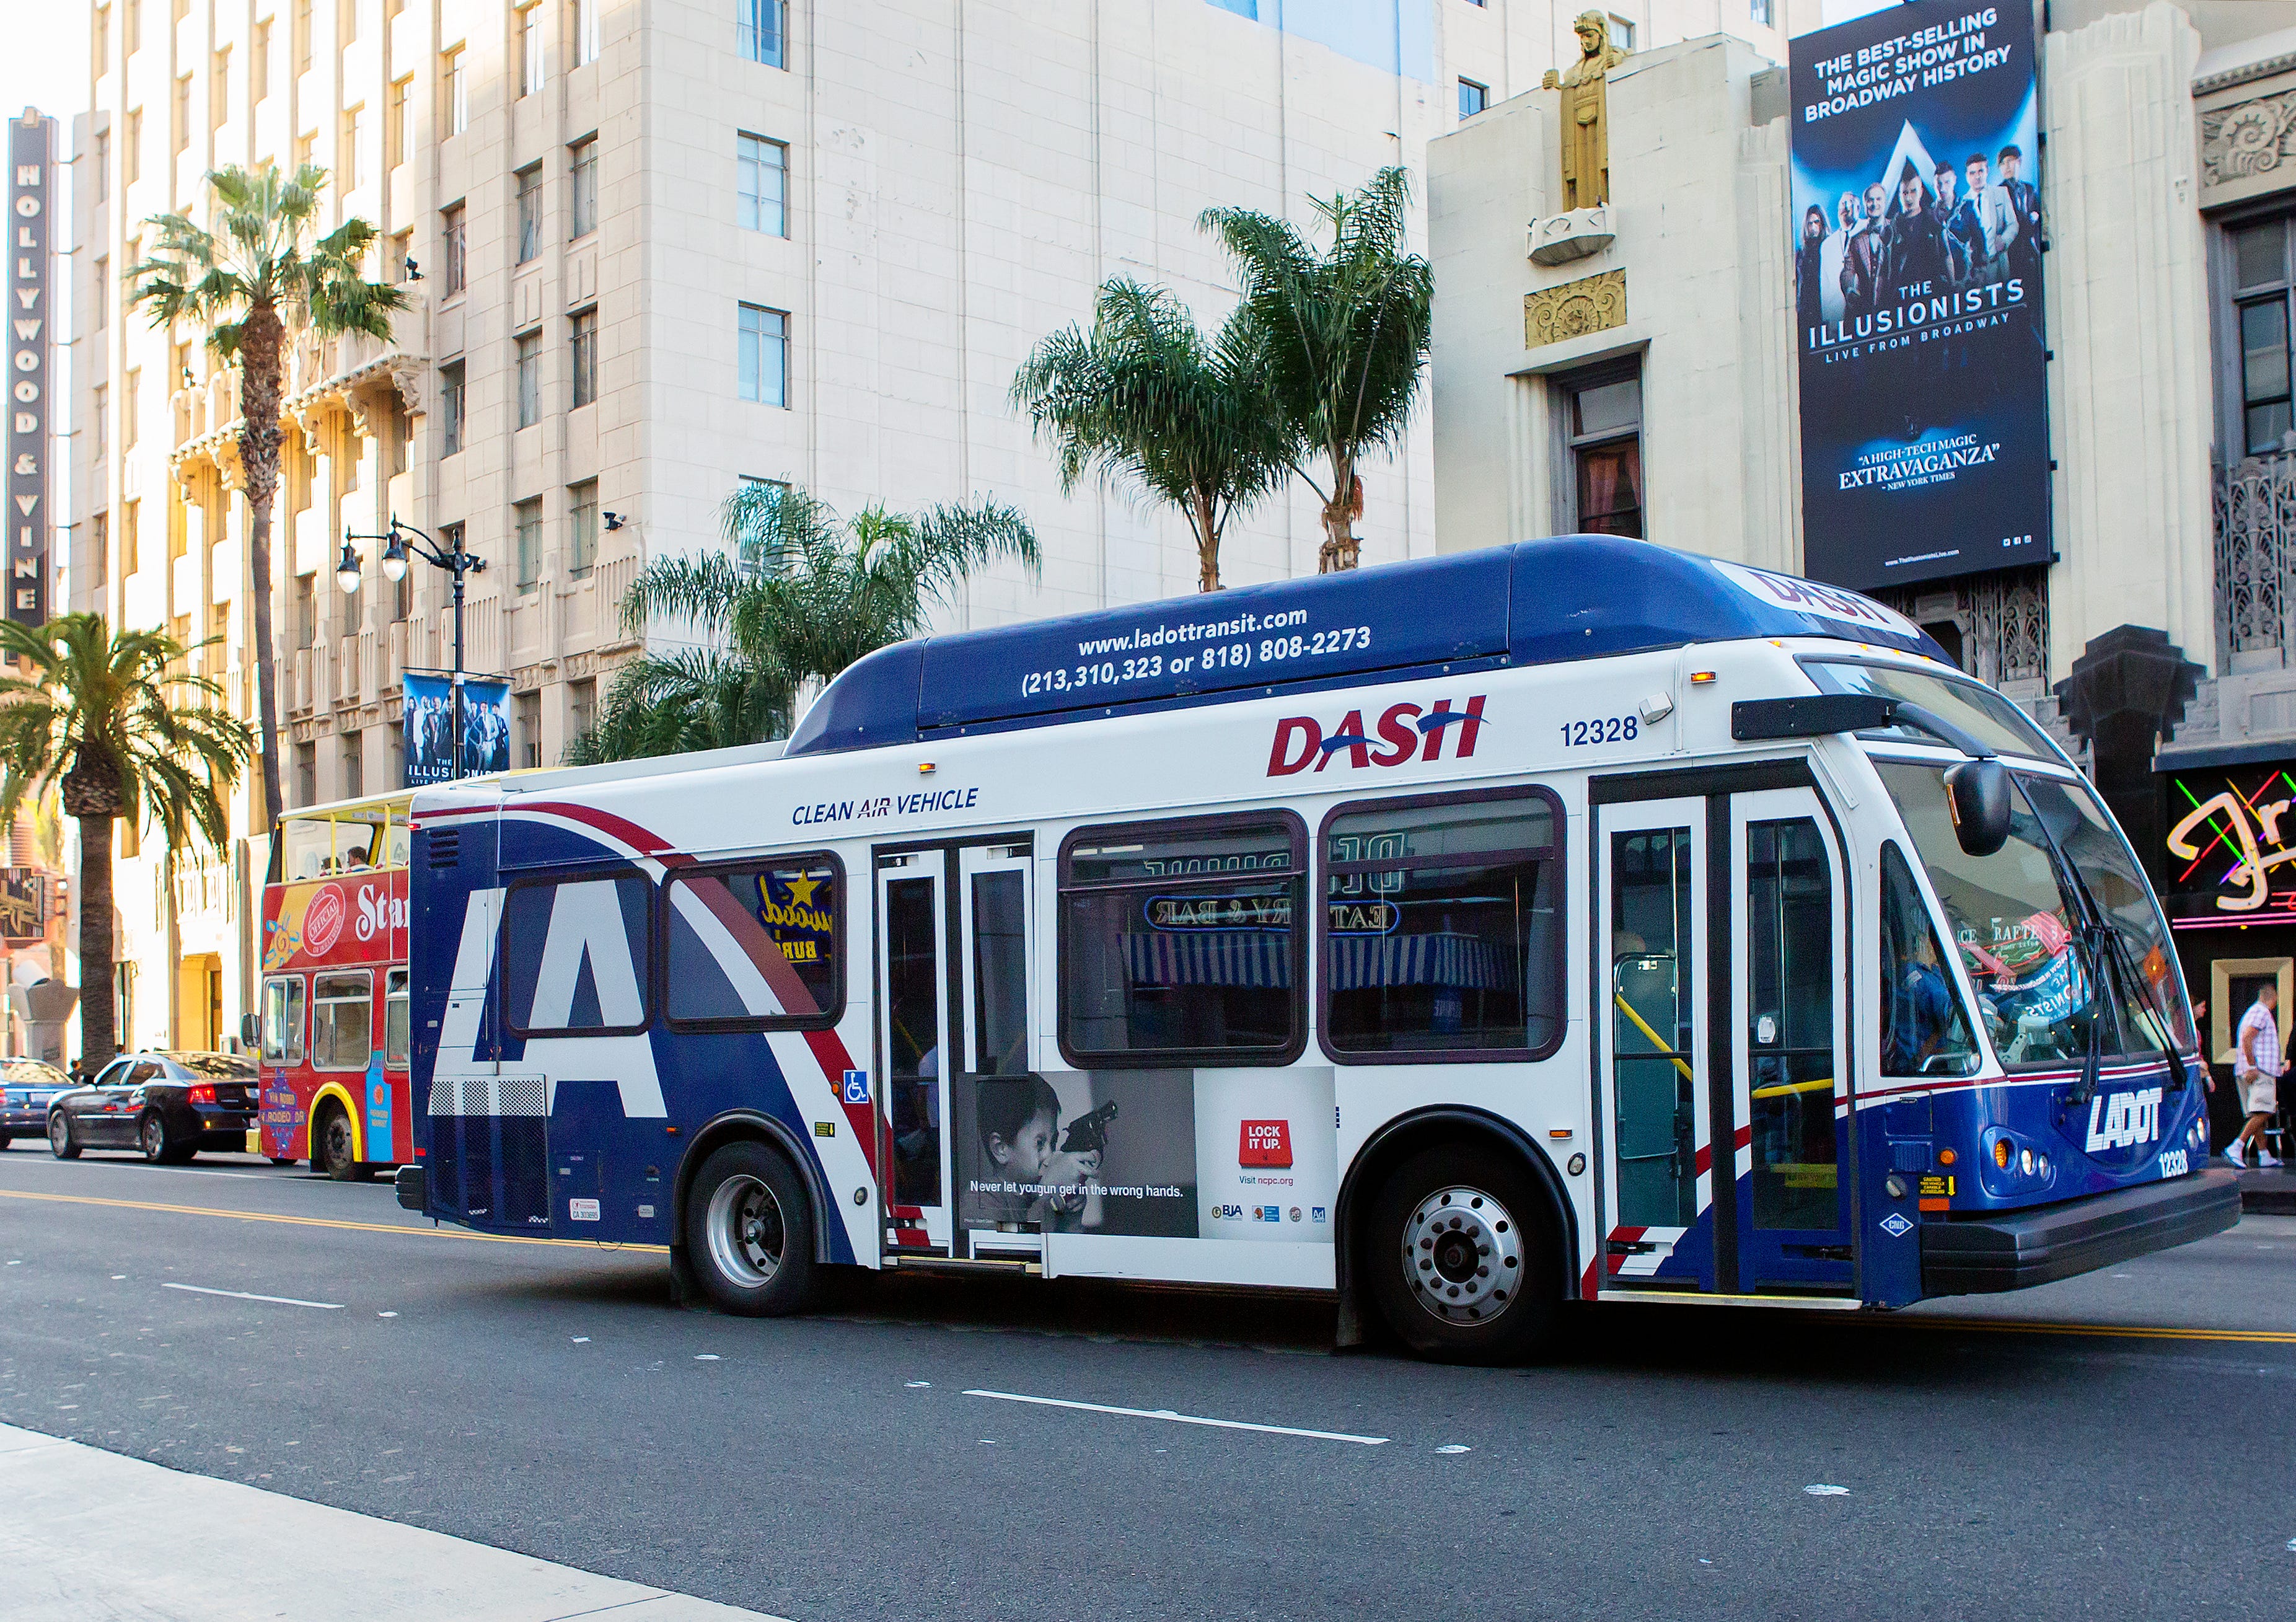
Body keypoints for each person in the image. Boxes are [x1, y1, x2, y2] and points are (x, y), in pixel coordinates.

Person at [961, 1074, 1101, 1232]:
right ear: (1001, 1149)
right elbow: (1020, 1245)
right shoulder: (981, 1199)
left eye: (1053, 1142)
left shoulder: (1038, 1190)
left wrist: (1071, 1218)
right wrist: (1047, 1195)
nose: (1050, 1155)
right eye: (1039, 1144)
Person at [2229, 982, 2287, 1168]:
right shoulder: (2262, 1012)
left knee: (2255, 1114)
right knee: (2264, 1112)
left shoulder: (2250, 1012)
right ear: (2273, 998)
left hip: (2246, 1070)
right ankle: (2237, 1146)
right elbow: (2248, 1037)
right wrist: (2253, 1066)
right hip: (2259, 1072)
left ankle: (2264, 1154)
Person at [1880, 162, 1950, 302]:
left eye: (1913, 191)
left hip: (1935, 293)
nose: (1909, 198)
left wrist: (1952, 287)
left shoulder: (1933, 220)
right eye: (1905, 193)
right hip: (1902, 298)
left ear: (1921, 191)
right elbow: (1884, 271)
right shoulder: (1891, 228)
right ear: (1899, 195)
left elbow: (1946, 256)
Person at [1955, 152, 2017, 284]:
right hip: (1975, 270)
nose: (1977, 176)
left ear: (1987, 171)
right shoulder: (1961, 204)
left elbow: (2013, 224)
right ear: (1967, 176)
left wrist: (2004, 240)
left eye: (1981, 171)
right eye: (1972, 173)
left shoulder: (2001, 193)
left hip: (1999, 262)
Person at [1839, 182, 1886, 319]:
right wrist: (1849, 290)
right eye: (1870, 200)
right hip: (1867, 310)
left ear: (1885, 202)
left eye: (1878, 200)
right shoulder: (1856, 240)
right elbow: (1848, 270)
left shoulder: (1896, 230)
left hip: (1895, 304)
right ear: (1865, 205)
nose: (1874, 204)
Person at [1997, 144, 2042, 284]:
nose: (2007, 166)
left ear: (2019, 162)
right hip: (2011, 251)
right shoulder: (1999, 192)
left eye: (2010, 161)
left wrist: (2035, 216)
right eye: (2003, 164)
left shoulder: (2029, 188)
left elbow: (2037, 211)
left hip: (2030, 247)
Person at [1818, 191, 1857, 327]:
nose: (1845, 208)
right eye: (1842, 205)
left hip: (1864, 314)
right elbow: (1825, 288)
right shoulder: (1827, 245)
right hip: (1837, 318)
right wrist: (1827, 320)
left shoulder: (1868, 229)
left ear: (1858, 208)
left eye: (1849, 204)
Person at [1795, 205, 1829, 332]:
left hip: (1823, 309)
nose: (1813, 227)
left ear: (1822, 224)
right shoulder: (1801, 254)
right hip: (1804, 312)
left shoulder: (1829, 247)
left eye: (1816, 222)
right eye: (1810, 224)